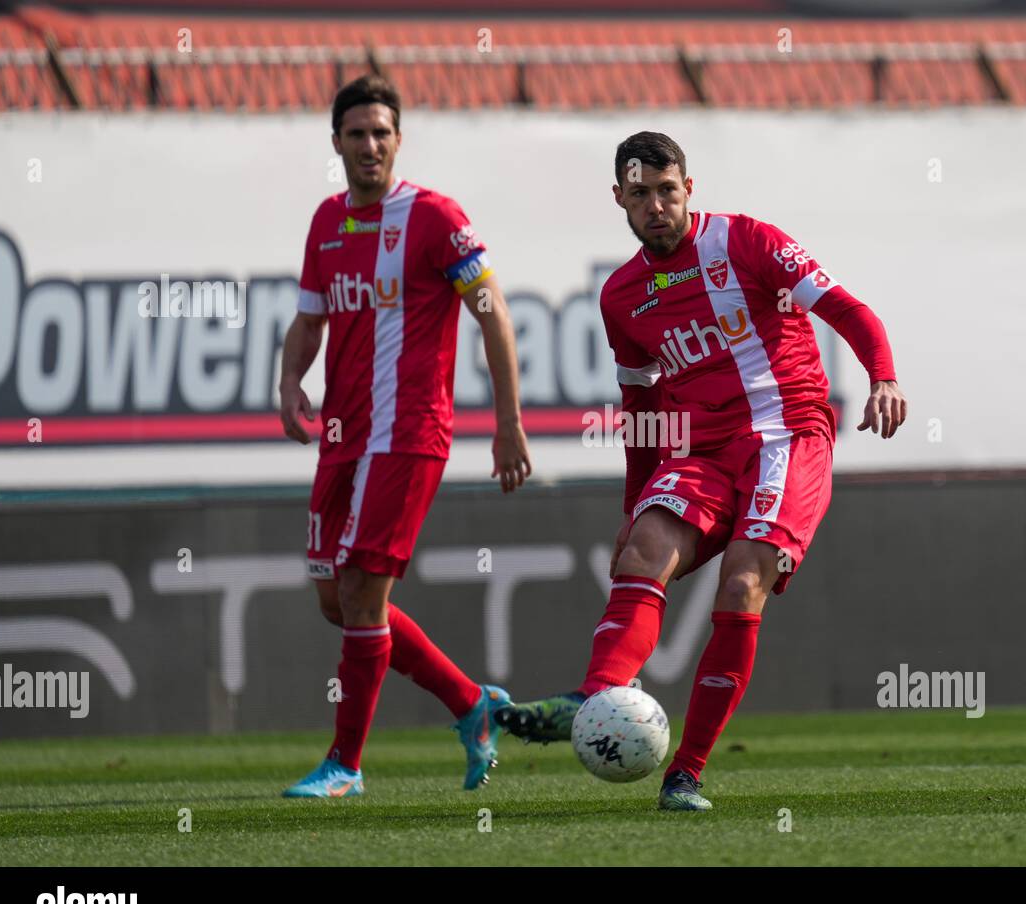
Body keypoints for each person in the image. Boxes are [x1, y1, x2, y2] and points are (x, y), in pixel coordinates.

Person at [496, 131, 905, 811]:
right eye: (640, 194)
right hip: (700, 451)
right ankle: (593, 699)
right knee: (643, 550)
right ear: (619, 200)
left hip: (787, 436)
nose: (656, 205)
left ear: (690, 188)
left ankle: (685, 770)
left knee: (742, 582)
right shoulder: (623, 294)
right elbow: (642, 404)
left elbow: (847, 309)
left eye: (667, 190)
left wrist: (882, 378)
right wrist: (635, 504)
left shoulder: (748, 242)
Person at [278, 75, 531, 796]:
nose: (369, 145)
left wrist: (507, 422)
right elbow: (309, 319)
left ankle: (345, 766)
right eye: (355, 134)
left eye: (381, 133)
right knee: (339, 601)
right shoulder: (327, 221)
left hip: (408, 432)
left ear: (399, 139)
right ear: (336, 144)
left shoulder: (433, 218)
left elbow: (492, 312)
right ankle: (469, 702)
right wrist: (290, 382)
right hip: (343, 435)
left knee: (361, 594)